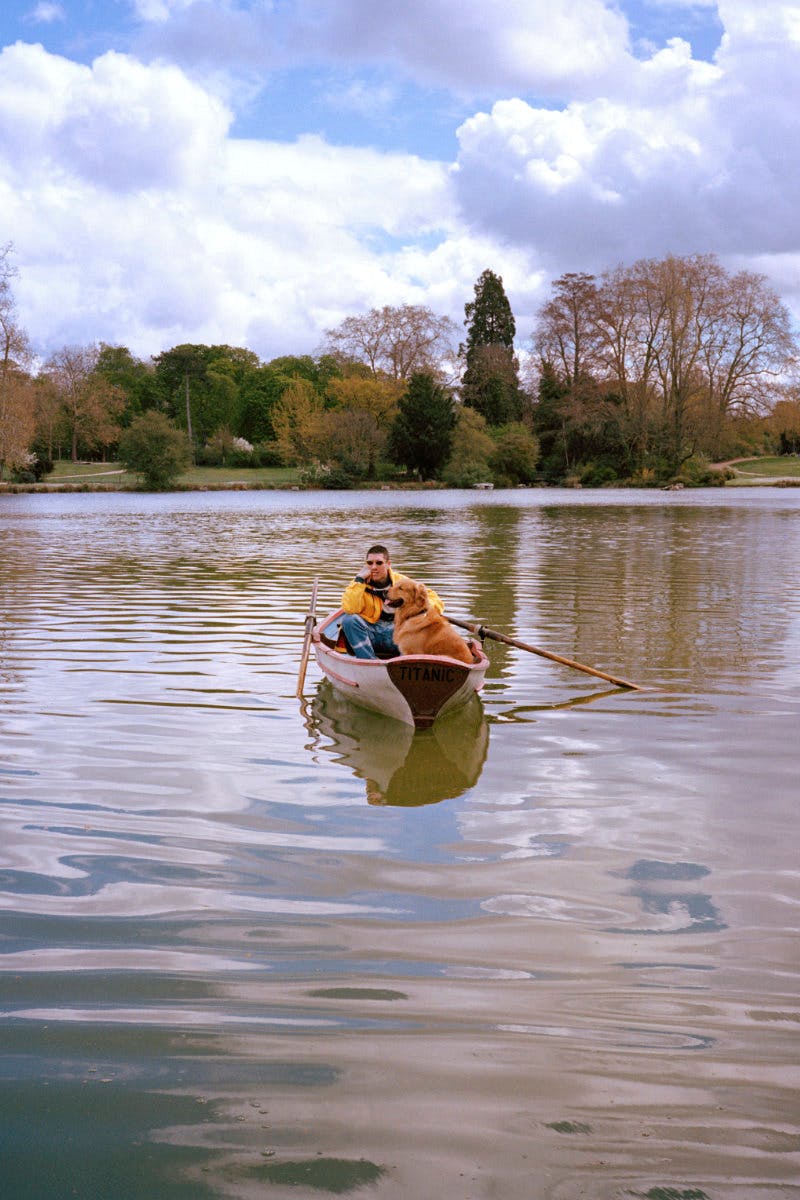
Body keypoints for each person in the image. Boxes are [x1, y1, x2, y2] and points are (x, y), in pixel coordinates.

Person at [340, 544, 444, 659]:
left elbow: (436, 600)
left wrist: (419, 609)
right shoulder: (358, 583)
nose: (373, 567)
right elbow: (349, 608)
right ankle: (370, 662)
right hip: (371, 634)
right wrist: (359, 580)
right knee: (349, 621)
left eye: (379, 563)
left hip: (396, 634)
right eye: (370, 563)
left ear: (388, 564)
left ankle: (405, 662)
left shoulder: (402, 582)